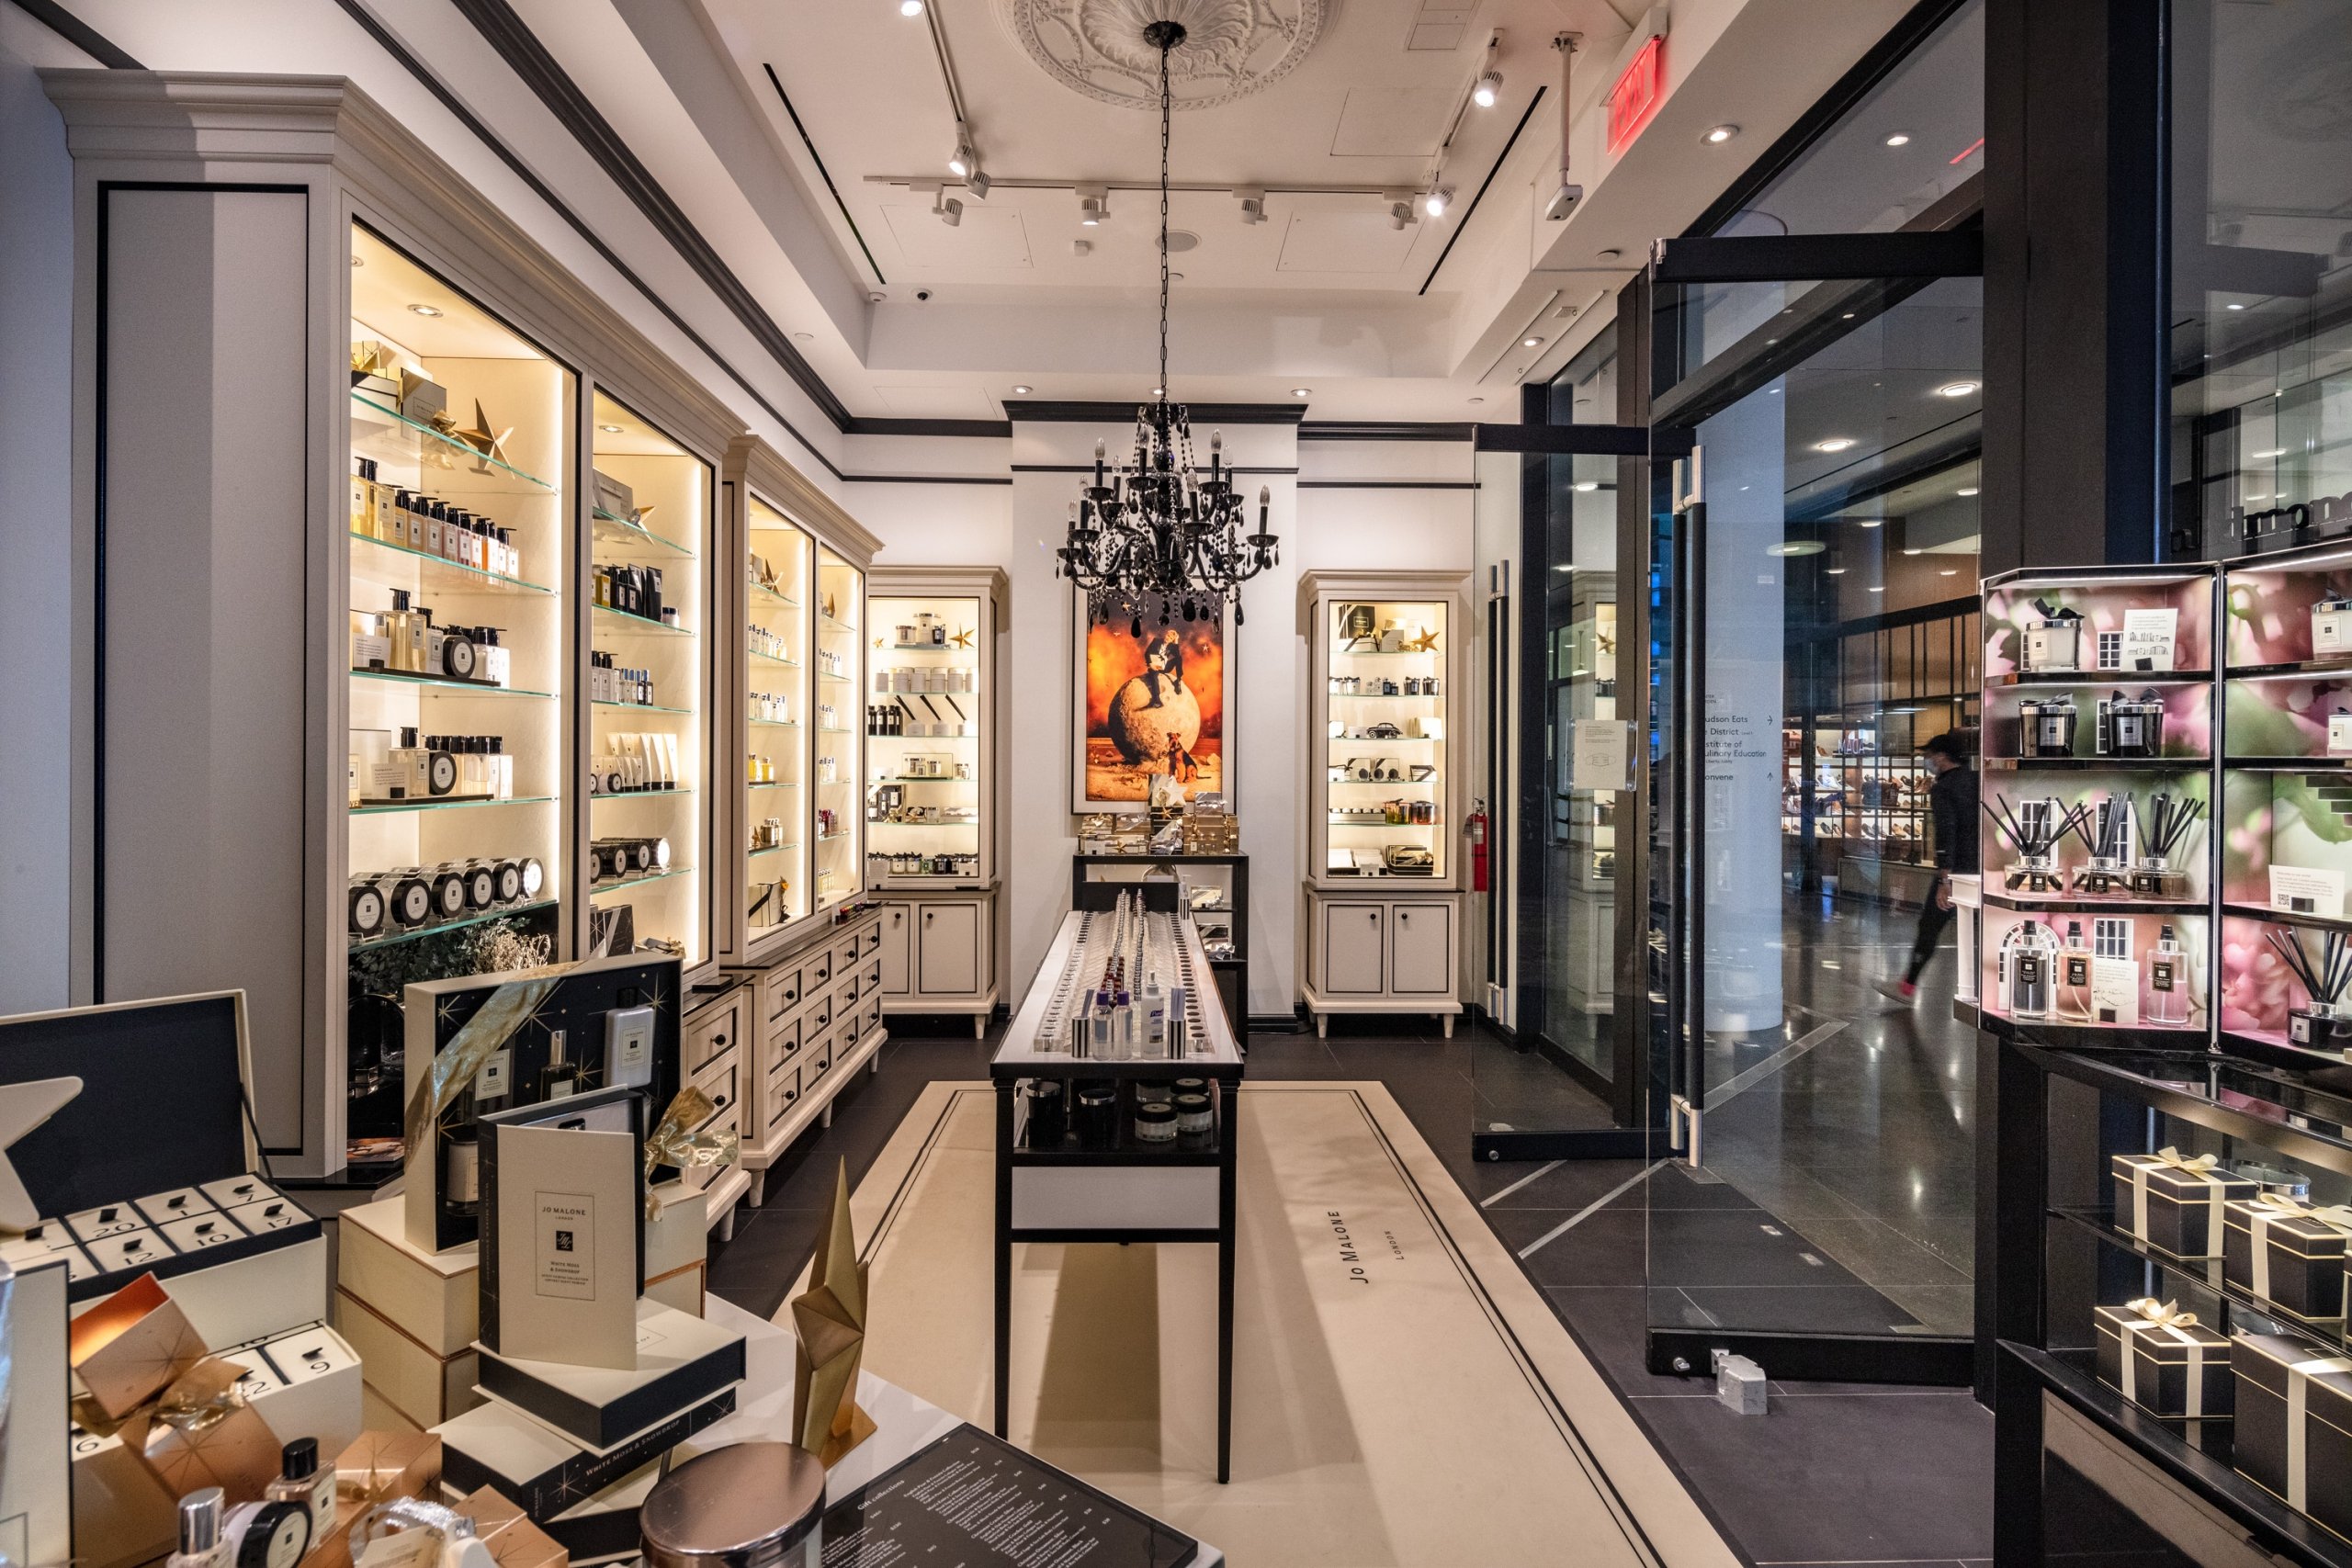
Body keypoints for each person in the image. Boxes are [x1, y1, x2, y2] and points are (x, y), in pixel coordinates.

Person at [1874, 730, 1978, 1005]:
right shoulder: (1975, 780)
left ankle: (1907, 986)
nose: (1927, 760)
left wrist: (1945, 878)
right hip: (1981, 866)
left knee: (1930, 925)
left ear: (1942, 756)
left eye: (1929, 755)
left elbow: (1946, 832)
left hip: (1956, 870)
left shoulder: (1943, 789)